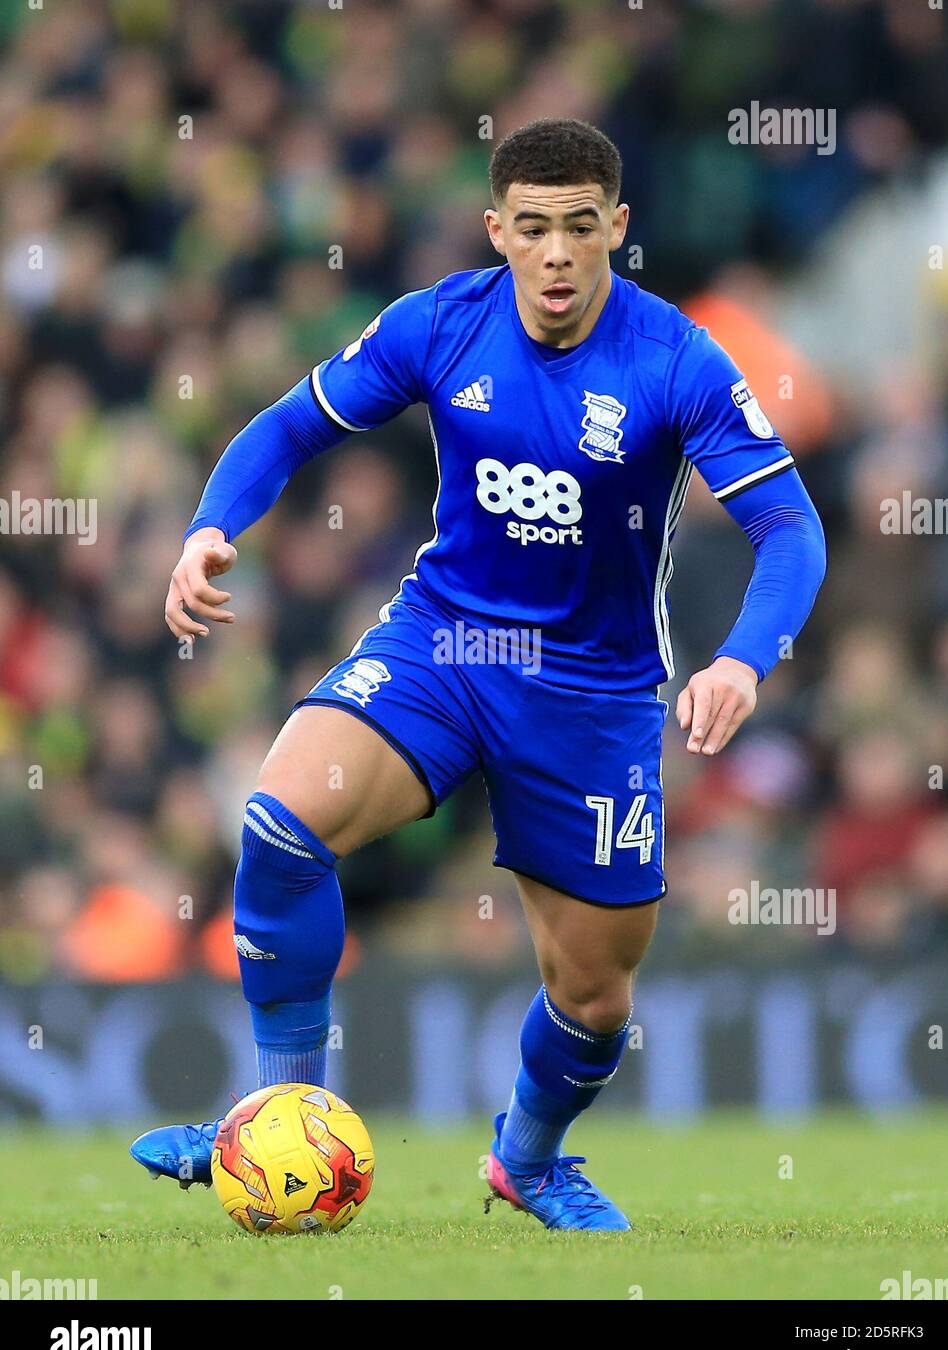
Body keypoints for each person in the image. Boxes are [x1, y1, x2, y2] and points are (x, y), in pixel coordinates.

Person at [131, 118, 826, 1231]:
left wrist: (742, 660)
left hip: (593, 692)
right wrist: (210, 526)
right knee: (277, 823)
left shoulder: (675, 358)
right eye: (534, 228)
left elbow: (788, 528)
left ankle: (530, 1157)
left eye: (580, 228)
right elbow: (285, 427)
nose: (557, 255)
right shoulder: (441, 323)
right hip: (447, 643)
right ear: (497, 229)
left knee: (593, 995)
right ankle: (273, 1117)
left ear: (617, 229)